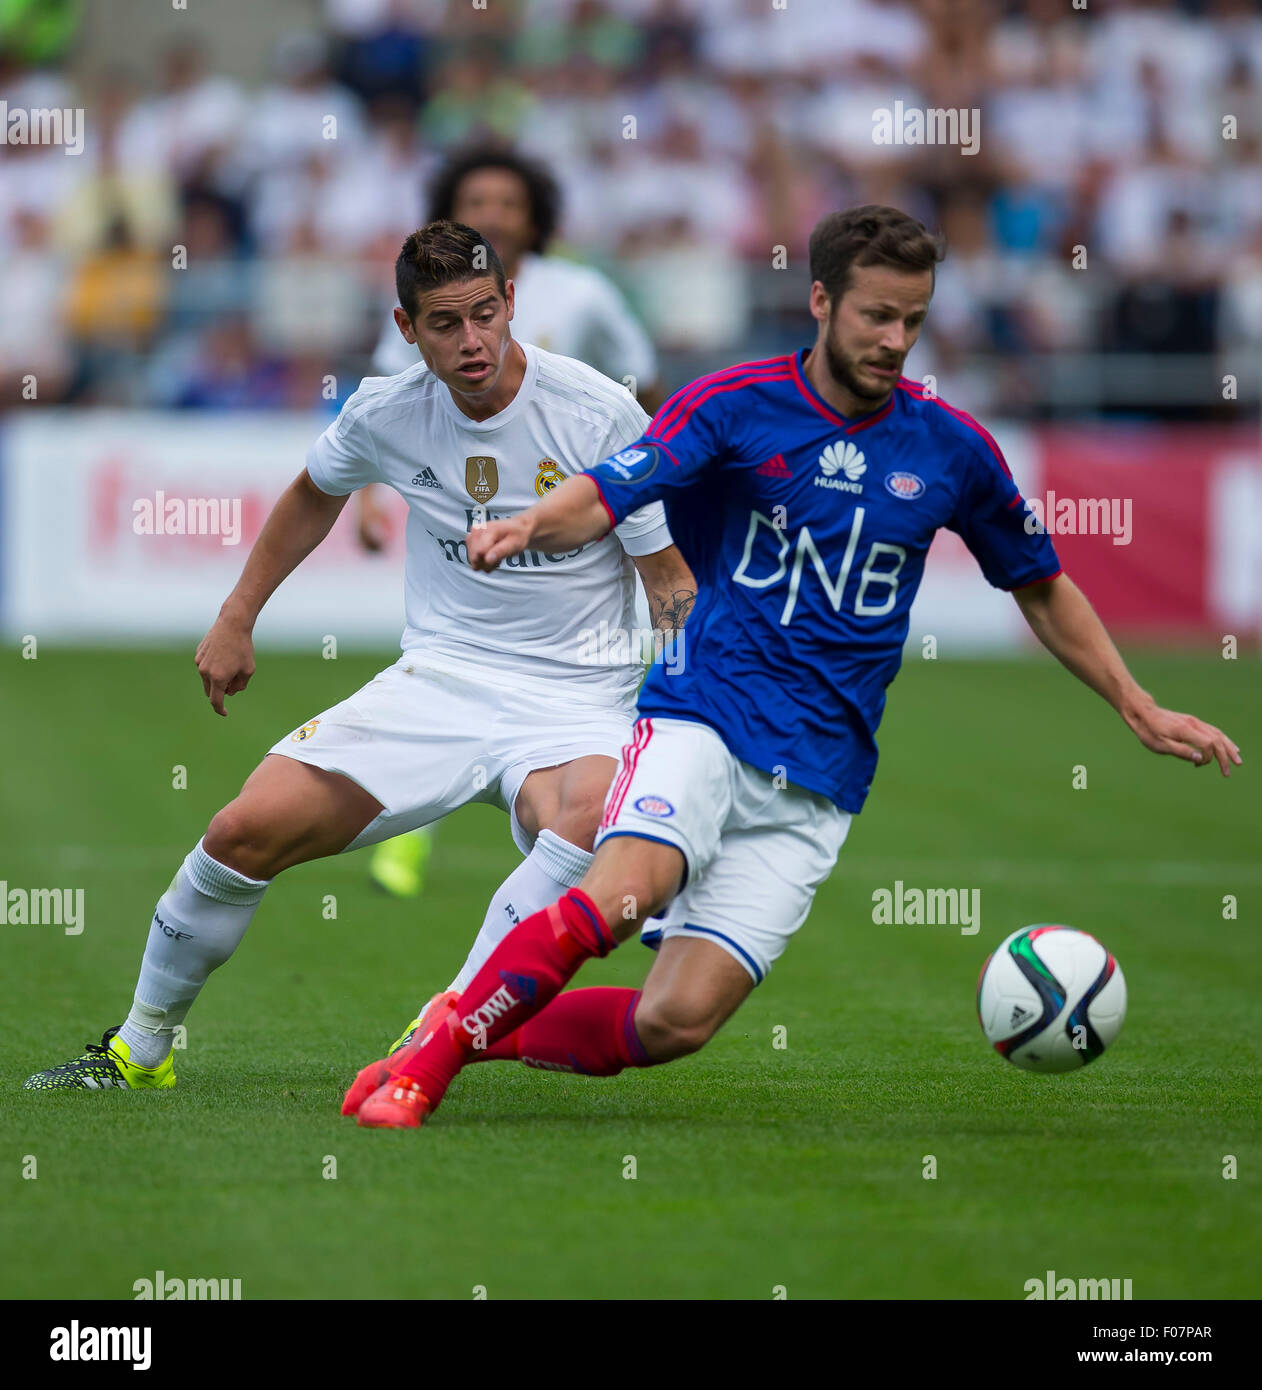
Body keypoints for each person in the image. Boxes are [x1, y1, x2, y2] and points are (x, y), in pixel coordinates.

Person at [343, 204, 1242, 1129]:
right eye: (876, 317)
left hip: (819, 776)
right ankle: (428, 1069)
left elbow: (1041, 584)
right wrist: (530, 524)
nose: (895, 341)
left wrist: (1136, 703)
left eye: (913, 320)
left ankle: (458, 1029)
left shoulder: (952, 450)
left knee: (674, 1022)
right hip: (704, 716)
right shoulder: (733, 406)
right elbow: (612, 490)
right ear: (821, 301)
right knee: (620, 898)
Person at [24, 220, 694, 1092]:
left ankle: (446, 1024)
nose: (472, 341)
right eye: (445, 324)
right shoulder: (386, 411)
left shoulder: (598, 410)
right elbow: (313, 493)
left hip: (575, 699)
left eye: (485, 314)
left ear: (512, 304)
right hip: (441, 680)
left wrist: (681, 719)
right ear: (406, 328)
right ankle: (139, 1049)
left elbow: (669, 583)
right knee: (238, 833)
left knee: (584, 817)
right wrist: (236, 618)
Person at [360, 145, 664, 900]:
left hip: (573, 526)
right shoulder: (434, 303)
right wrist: (369, 497)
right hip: (468, 525)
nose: (493, 214)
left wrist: (638, 482)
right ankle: (410, 843)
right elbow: (385, 410)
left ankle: (559, 857)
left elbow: (643, 379)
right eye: (477, 202)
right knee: (451, 677)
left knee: (559, 737)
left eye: (508, 203)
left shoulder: (584, 293)